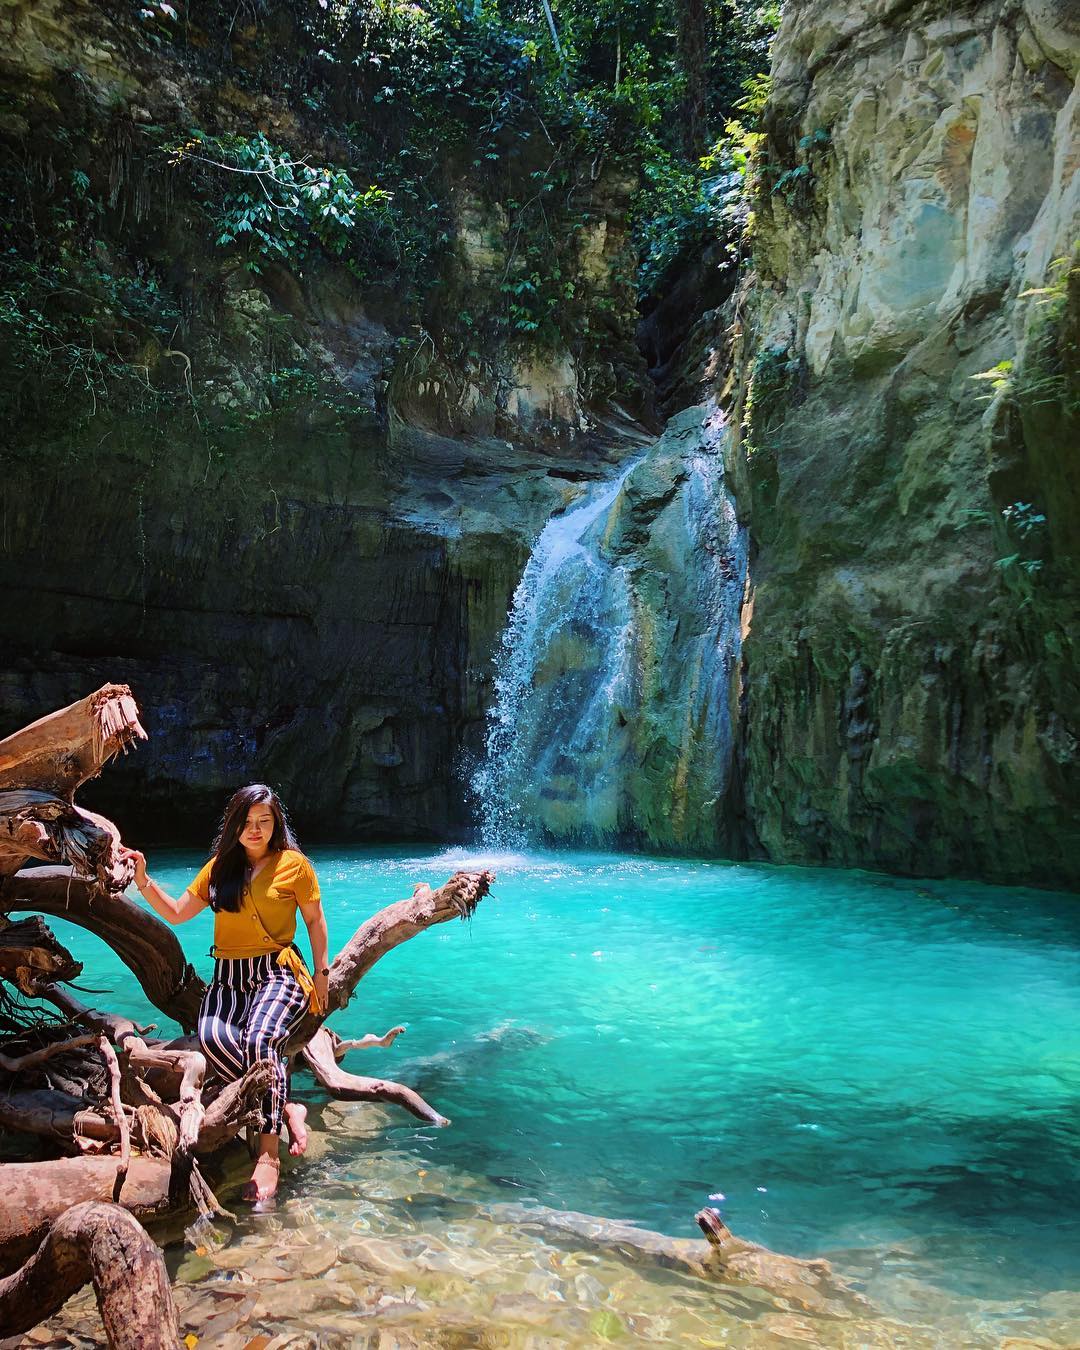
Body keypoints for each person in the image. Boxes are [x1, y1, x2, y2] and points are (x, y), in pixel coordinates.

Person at [122, 783, 330, 1204]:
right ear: (234, 825)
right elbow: (177, 914)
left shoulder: (294, 865)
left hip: (277, 970)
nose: (255, 830)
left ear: (276, 826)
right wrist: (143, 881)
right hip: (228, 976)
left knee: (260, 1038)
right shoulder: (219, 869)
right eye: (247, 822)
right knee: (213, 1041)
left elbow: (315, 921)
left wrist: (322, 976)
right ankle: (286, 1105)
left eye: (264, 822)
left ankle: (268, 1153)